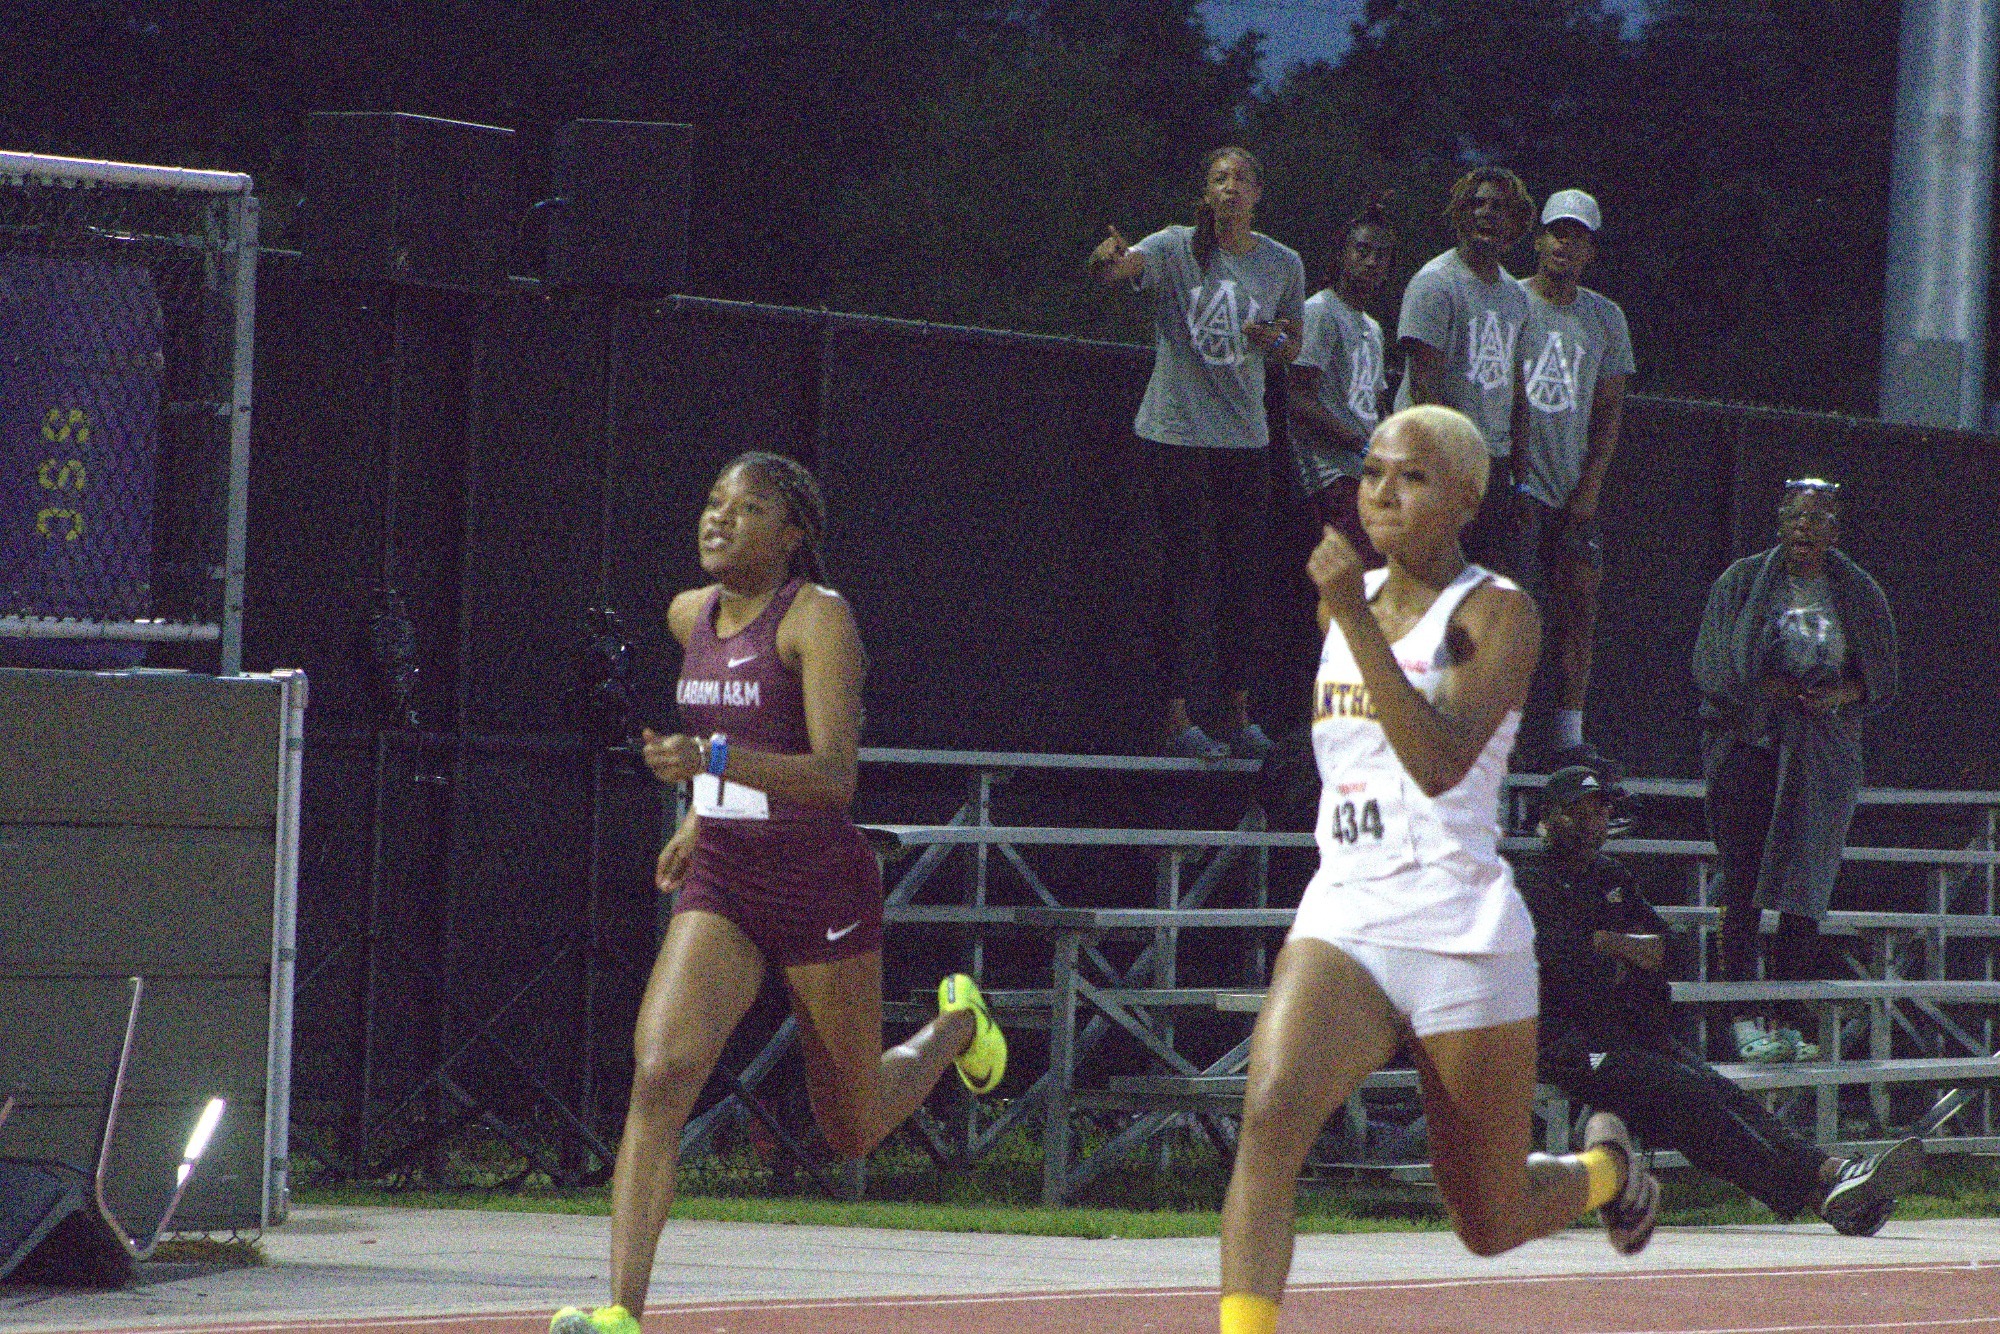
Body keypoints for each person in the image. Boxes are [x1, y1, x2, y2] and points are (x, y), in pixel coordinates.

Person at [1216, 406, 1658, 1334]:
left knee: (1487, 1222)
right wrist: (1349, 612)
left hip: (1459, 929)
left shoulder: (1500, 611)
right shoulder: (1350, 599)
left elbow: (1439, 759)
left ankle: (1605, 1168)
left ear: (1466, 496)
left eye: (1410, 477)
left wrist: (1350, 618)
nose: (1380, 490)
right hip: (1348, 910)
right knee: (1269, 1124)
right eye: (1372, 471)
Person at [551, 452, 1007, 1334]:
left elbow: (836, 777)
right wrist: (697, 816)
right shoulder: (690, 615)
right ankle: (620, 1314)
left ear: (793, 534)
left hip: (819, 885)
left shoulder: (818, 619)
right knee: (660, 1073)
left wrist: (708, 762)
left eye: (749, 508)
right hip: (725, 879)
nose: (719, 518)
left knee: (852, 1126)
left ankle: (957, 1027)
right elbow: (726, 733)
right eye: (714, 501)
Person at [1519, 763, 1925, 1237]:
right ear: (1551, 817)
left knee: (1719, 1096)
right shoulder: (1531, 883)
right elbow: (1565, 960)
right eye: (1581, 810)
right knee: (1692, 1098)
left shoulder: (1612, 876)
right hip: (1569, 1042)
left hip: (1631, 1032)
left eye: (1600, 809)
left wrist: (1610, 943)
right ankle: (1824, 1184)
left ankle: (1829, 1182)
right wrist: (1624, 947)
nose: (1594, 820)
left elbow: (1670, 949)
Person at [1089, 146, 1309, 761]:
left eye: (1242, 178)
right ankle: (1177, 717)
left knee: (1244, 576)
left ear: (1258, 193)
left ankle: (1238, 712)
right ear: (1206, 192)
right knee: (1184, 573)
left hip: (1244, 435)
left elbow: (1294, 343)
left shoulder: (1281, 263)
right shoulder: (1173, 247)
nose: (1231, 188)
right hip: (1176, 431)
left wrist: (1275, 342)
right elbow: (1120, 274)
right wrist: (1107, 262)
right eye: (1220, 178)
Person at [1693, 479, 1899, 1063]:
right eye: (1795, 517)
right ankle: (1739, 1013)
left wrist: (1839, 695)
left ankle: (1789, 1012)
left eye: (1817, 519)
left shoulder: (1858, 591)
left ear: (1835, 530)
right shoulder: (1741, 582)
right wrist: (1775, 690)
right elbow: (1713, 666)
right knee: (1744, 883)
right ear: (1779, 523)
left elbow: (1881, 675)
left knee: (1804, 887)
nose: (1804, 528)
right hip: (1751, 744)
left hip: (1821, 752)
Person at [1516, 190, 1634, 770]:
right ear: (1538, 237)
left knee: (1578, 608)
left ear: (1590, 248)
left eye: (1576, 236)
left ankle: (1568, 730)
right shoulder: (1509, 300)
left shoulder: (1605, 317)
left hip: (1570, 487)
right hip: (1516, 485)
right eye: (1556, 232)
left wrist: (1588, 491)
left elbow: (1610, 410)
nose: (1564, 244)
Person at [1392, 168, 1534, 571]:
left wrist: (1520, 483)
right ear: (1460, 215)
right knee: (1428, 589)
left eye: (1498, 206)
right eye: (1476, 204)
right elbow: (1424, 388)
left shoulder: (1516, 297)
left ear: (1515, 222)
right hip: (1438, 459)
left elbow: (1518, 394)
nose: (1485, 214)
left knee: (1481, 600)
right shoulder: (1435, 283)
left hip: (1494, 465)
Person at [1286, 197, 1394, 563]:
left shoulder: (1373, 328)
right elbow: (1297, 396)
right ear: (1342, 254)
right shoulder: (1320, 312)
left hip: (1368, 476)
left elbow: (1374, 402)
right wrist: (1356, 442)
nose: (1371, 262)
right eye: (1362, 251)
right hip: (1330, 474)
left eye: (1381, 255)